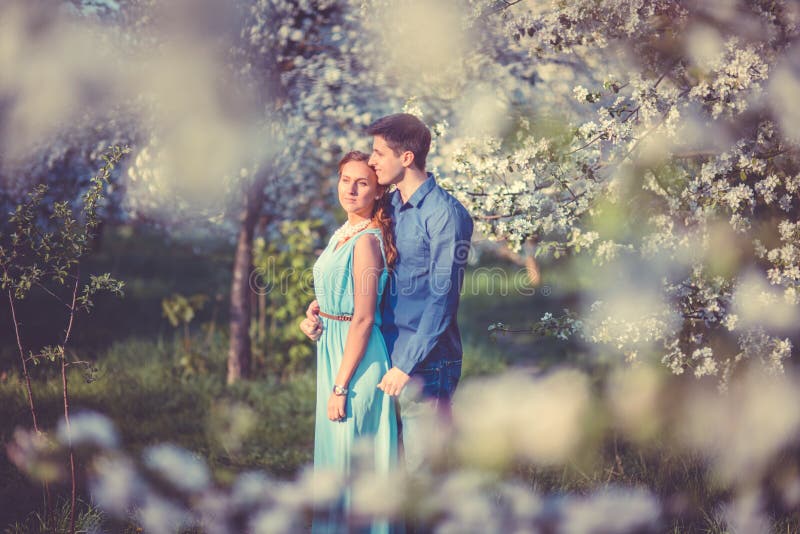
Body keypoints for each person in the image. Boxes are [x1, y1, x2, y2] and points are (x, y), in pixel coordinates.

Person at [307, 114, 473, 474]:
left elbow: (443, 298)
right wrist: (329, 305)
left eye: (380, 153)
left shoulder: (446, 215)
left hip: (426, 362)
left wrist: (405, 364)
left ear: (407, 158)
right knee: (387, 469)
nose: (373, 160)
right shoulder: (392, 206)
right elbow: (374, 274)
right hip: (384, 353)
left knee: (422, 473)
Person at [299, 151, 399, 534]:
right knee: (334, 464)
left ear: (377, 192)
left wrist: (341, 386)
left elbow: (363, 318)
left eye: (363, 183)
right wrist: (316, 315)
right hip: (334, 349)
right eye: (346, 180)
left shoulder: (367, 242)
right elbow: (338, 295)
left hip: (356, 364)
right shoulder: (343, 233)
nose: (352, 189)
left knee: (350, 467)